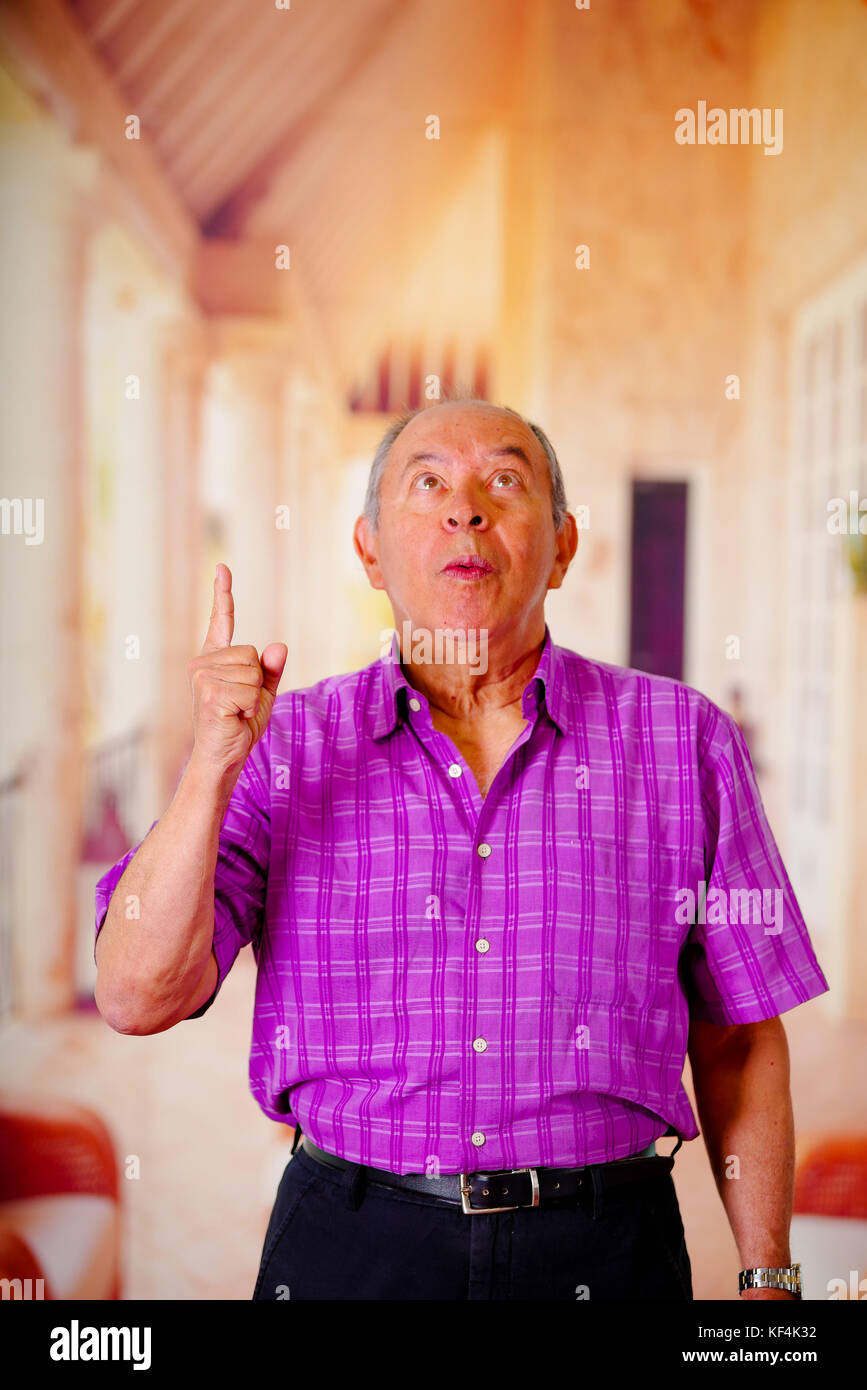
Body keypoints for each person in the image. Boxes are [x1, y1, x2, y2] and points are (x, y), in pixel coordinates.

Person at [94, 397, 828, 1301]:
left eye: (504, 481)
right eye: (429, 481)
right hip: (351, 1245)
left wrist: (771, 1279)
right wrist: (210, 764)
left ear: (561, 546)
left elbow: (740, 1040)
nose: (465, 508)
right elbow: (134, 993)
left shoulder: (685, 742)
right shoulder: (282, 747)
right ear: (368, 548)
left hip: (607, 1247)